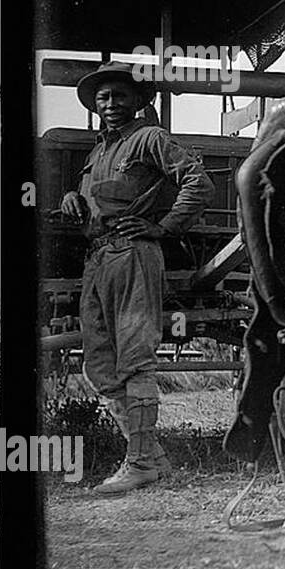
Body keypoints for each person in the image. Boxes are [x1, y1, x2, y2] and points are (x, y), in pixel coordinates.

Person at [59, 63, 215, 495]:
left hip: (132, 254)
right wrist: (74, 197)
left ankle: (141, 462)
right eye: (104, 97)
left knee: (134, 359)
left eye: (120, 96)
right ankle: (151, 457)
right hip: (97, 258)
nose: (111, 104)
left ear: (138, 101)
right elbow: (95, 198)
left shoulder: (150, 139)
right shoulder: (96, 153)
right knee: (100, 365)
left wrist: (164, 227)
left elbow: (198, 182)